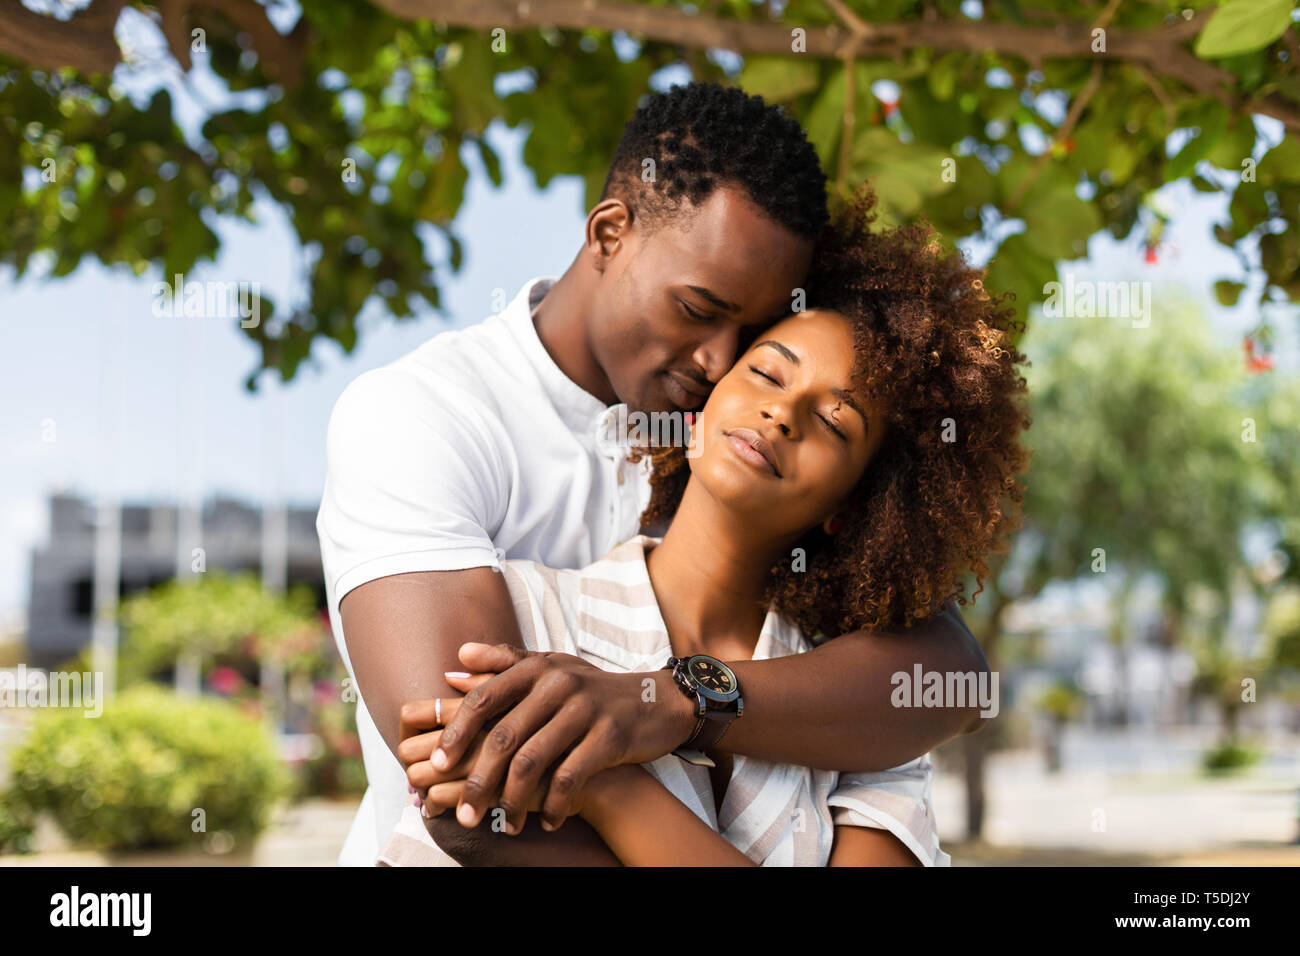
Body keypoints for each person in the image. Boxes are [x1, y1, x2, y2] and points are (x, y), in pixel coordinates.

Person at [317, 82, 989, 868]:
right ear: (610, 232)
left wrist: (676, 702)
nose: (718, 361)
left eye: (751, 333)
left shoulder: (731, 447)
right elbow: (480, 776)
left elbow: (955, 676)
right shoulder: (424, 414)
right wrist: (606, 769)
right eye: (700, 310)